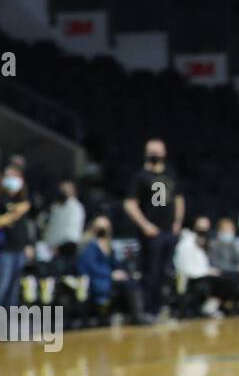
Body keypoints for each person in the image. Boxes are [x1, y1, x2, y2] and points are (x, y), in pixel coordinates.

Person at [123, 138, 184, 323]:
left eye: (159, 150)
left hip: (168, 232)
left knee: (165, 272)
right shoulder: (140, 177)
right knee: (151, 272)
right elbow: (129, 203)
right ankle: (147, 311)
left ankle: (159, 309)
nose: (156, 154)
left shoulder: (170, 174)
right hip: (151, 234)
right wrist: (145, 225)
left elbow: (179, 198)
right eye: (153, 151)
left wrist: (178, 222)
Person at [78, 216, 140, 325]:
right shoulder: (90, 246)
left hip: (109, 278)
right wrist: (110, 274)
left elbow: (115, 263)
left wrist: (123, 272)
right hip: (96, 280)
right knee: (124, 285)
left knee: (129, 281)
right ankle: (136, 316)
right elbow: (90, 267)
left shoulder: (108, 246)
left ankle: (134, 315)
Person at [0, 163, 33, 308]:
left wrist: (28, 244)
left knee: (13, 290)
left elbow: (24, 227)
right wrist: (15, 213)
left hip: (18, 249)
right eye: (9, 176)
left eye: (15, 176)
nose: (12, 179)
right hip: (4, 250)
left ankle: (7, 324)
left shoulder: (21, 200)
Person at [207, 217, 239, 316]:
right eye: (225, 230)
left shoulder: (234, 244)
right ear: (219, 231)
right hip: (221, 273)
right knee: (233, 278)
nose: (228, 233)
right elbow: (217, 264)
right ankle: (228, 305)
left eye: (230, 230)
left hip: (235, 271)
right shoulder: (213, 245)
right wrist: (238, 268)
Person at [173, 216, 222, 318]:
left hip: (201, 274)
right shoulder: (186, 244)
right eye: (201, 230)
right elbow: (186, 268)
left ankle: (210, 306)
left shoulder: (204, 244)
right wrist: (207, 271)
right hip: (187, 278)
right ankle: (205, 308)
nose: (204, 232)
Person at [42, 181, 86, 255]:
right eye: (61, 191)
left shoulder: (75, 207)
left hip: (66, 247)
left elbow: (71, 232)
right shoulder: (56, 207)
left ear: (73, 191)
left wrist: (57, 247)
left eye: (65, 191)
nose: (62, 193)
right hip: (52, 248)